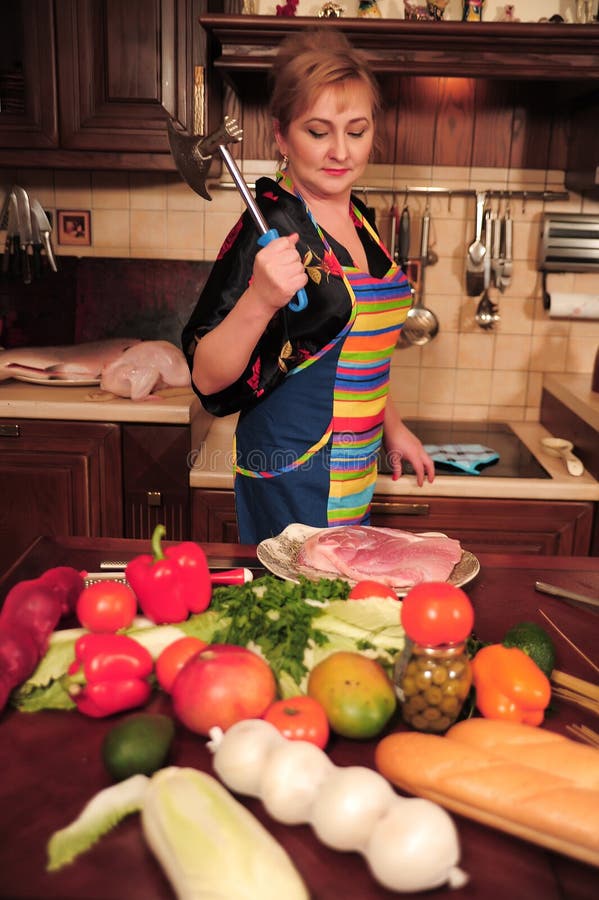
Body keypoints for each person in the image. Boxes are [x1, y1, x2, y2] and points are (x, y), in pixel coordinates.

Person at [182, 29, 435, 544]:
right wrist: (259, 298)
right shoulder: (269, 224)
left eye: (357, 130)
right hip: (291, 471)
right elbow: (205, 375)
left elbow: (358, 349)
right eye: (318, 131)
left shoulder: (360, 222)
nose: (340, 151)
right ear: (281, 136)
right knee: (299, 617)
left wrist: (393, 426)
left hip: (354, 471)